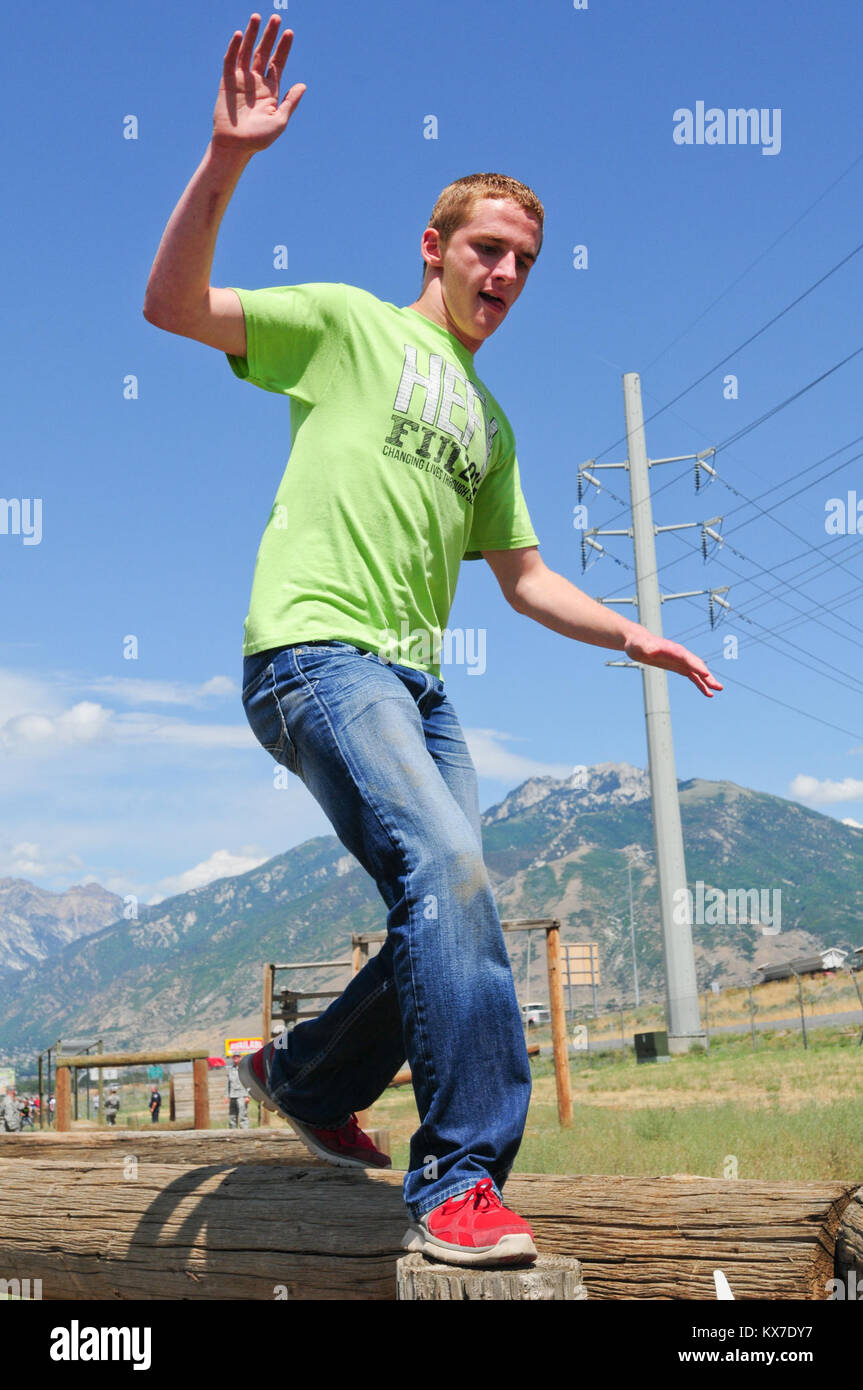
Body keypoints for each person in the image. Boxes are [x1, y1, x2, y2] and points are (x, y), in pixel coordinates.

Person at [143, 13, 722, 1267]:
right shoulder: (350, 327)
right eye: (487, 249)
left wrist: (634, 636)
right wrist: (227, 158)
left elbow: (522, 578)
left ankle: (301, 1074)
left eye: (525, 261)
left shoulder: (491, 424)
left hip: (416, 686)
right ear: (435, 247)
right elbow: (171, 304)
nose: (506, 275)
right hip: (314, 653)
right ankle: (458, 1181)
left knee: (447, 904)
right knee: (450, 873)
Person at [226, 1061, 250, 1129]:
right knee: (232, 1116)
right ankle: (233, 1132)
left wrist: (248, 1096)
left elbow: (248, 1083)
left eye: (237, 1056)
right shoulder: (230, 1070)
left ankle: (245, 1132)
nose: (236, 1058)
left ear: (240, 1058)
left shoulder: (244, 1069)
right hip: (232, 1095)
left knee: (243, 1115)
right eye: (234, 1057)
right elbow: (228, 1084)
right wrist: (227, 1096)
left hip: (242, 1095)